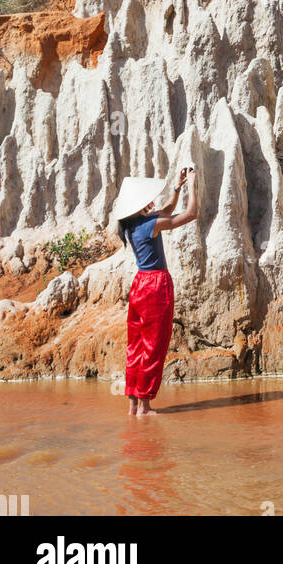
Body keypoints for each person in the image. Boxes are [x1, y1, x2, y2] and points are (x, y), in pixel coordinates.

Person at [115, 167, 198, 417]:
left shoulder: (131, 226)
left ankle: (133, 406)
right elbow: (191, 214)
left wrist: (178, 186)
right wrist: (193, 184)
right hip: (156, 285)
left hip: (139, 285)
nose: (150, 203)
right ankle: (145, 406)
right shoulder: (151, 224)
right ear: (140, 205)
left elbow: (168, 210)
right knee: (154, 346)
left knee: (136, 346)